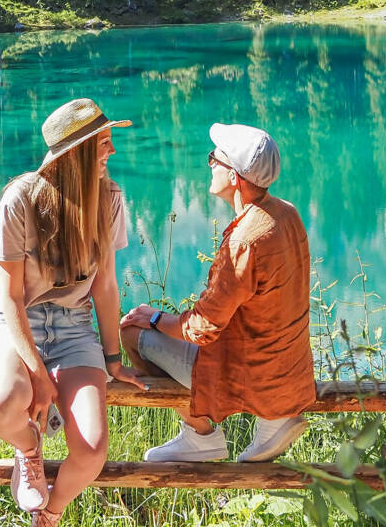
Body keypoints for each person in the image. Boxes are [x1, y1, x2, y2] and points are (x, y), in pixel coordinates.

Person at [0, 98, 145, 525]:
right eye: (104, 142)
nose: (113, 151)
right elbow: (10, 298)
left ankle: (49, 514)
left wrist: (112, 359)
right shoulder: (20, 200)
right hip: (17, 324)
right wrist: (36, 373)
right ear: (79, 152)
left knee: (91, 449)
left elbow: (104, 288)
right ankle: (29, 448)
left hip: (74, 329)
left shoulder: (109, 199)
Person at [120, 122, 316, 463]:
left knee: (131, 331)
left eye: (215, 158)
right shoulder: (287, 214)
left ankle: (200, 436)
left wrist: (153, 317)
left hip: (250, 375)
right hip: (289, 370)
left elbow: (201, 328)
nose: (209, 163)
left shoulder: (244, 241)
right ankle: (273, 419)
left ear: (236, 177)